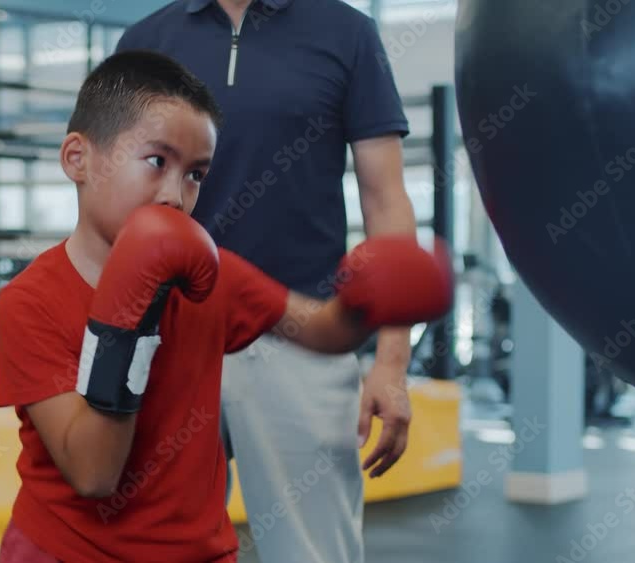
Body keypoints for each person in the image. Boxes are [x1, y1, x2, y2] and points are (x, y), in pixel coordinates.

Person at [0, 51, 449, 562]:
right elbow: (94, 473)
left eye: (196, 175)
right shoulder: (29, 303)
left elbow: (321, 330)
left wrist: (368, 302)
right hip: (66, 551)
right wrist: (128, 314)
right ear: (78, 158)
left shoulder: (210, 273)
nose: (175, 195)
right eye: (157, 161)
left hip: (196, 550)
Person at [115, 2, 416, 561]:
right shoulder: (145, 40)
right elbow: (115, 195)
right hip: (168, 337)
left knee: (312, 552)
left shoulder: (347, 33)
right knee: (157, 549)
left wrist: (392, 363)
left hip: (303, 333)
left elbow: (387, 202)